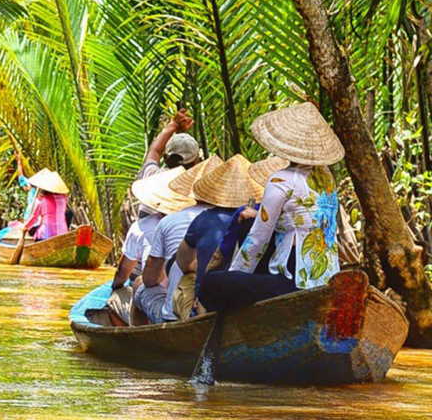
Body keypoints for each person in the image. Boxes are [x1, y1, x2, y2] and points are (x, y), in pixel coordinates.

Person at [199, 103, 345, 313]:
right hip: (326, 277)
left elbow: (259, 237)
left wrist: (236, 276)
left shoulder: (281, 179)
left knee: (211, 283)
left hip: (293, 282)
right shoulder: (327, 180)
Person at [131, 155, 222, 324]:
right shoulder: (239, 219)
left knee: (139, 284)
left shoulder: (170, 221)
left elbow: (150, 279)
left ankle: (135, 337)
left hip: (174, 315)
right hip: (218, 312)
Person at [171, 155, 262, 319]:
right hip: (250, 295)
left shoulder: (204, 219)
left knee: (186, 282)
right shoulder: (263, 217)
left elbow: (184, 263)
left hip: (213, 300)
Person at [106, 166, 193, 325]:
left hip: (170, 308)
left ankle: (136, 334)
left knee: (137, 284)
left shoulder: (147, 226)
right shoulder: (204, 219)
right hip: (195, 303)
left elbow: (127, 273)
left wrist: (115, 287)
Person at [138, 108, 202, 180]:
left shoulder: (151, 177)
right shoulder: (204, 187)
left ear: (165, 158)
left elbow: (155, 151)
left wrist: (174, 124)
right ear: (196, 162)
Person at [22, 169, 71, 241]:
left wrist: (25, 227)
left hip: (46, 235)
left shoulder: (40, 201)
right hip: (62, 233)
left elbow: (34, 217)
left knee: (37, 233)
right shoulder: (63, 199)